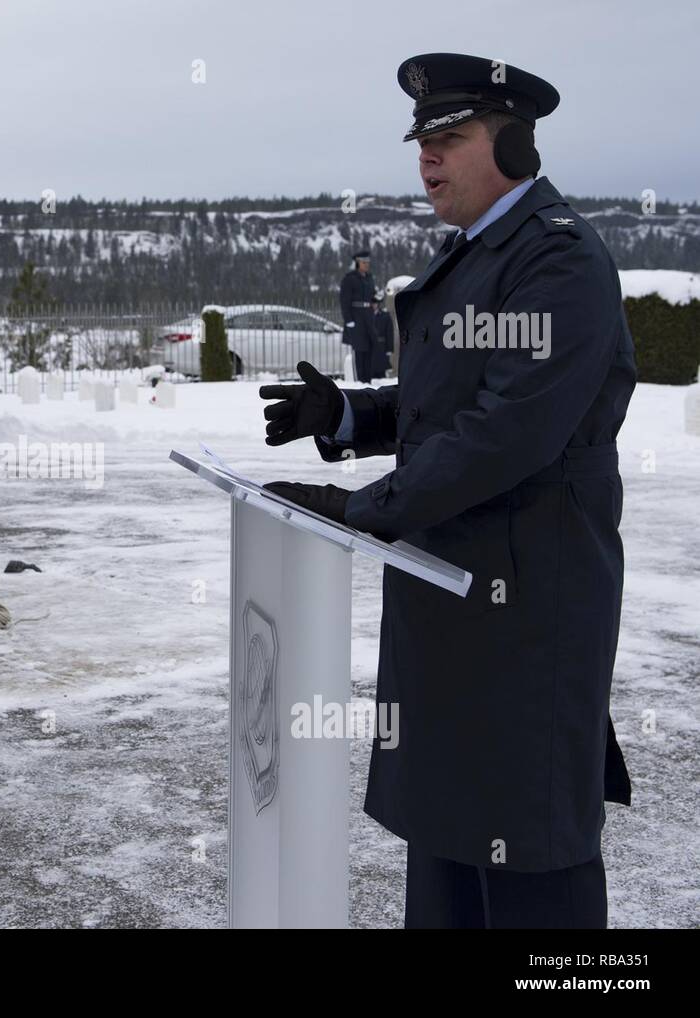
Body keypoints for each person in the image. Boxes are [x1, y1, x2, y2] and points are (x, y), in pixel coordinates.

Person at [259, 53, 635, 929]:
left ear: (512, 148)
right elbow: (451, 401)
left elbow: (507, 433)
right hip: (451, 597)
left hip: (528, 606)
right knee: (447, 843)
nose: (426, 158)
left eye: (450, 138)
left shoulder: (558, 261)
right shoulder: (478, 254)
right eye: (421, 142)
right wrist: (348, 414)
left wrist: (365, 509)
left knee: (531, 850)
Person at [339, 251, 377, 382]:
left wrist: (376, 299)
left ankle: (368, 381)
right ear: (357, 263)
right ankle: (359, 382)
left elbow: (372, 295)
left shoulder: (369, 278)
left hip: (368, 318)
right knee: (359, 351)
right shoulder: (349, 278)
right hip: (356, 318)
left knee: (370, 349)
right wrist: (349, 320)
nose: (366, 265)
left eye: (368, 262)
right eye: (364, 262)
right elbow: (344, 301)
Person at [370, 288, 394, 378]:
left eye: (375, 303)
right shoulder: (367, 316)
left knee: (381, 373)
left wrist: (389, 349)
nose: (374, 305)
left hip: (381, 348)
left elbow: (389, 333)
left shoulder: (385, 316)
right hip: (370, 348)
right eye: (372, 303)